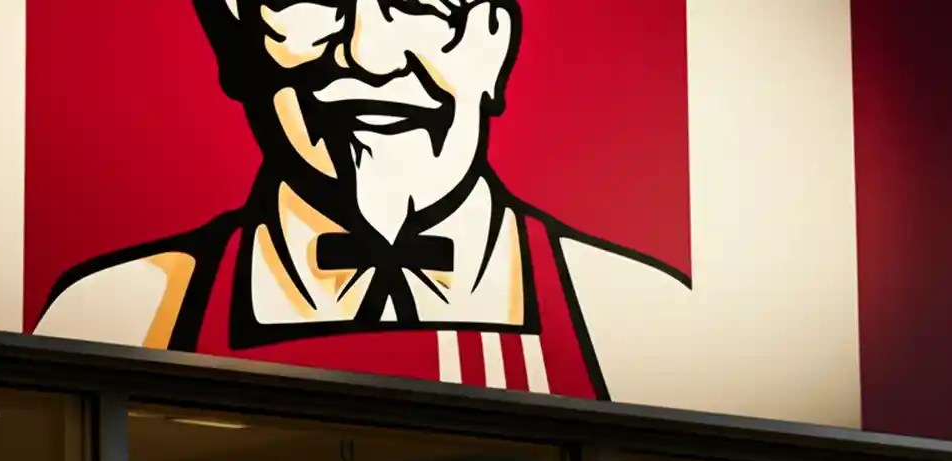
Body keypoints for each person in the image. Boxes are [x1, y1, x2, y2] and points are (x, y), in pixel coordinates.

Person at [34, 0, 685, 400]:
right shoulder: (122, 313)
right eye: (315, 2)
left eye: (425, 4)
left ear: (495, 45)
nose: (370, 55)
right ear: (238, 42)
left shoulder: (632, 316)